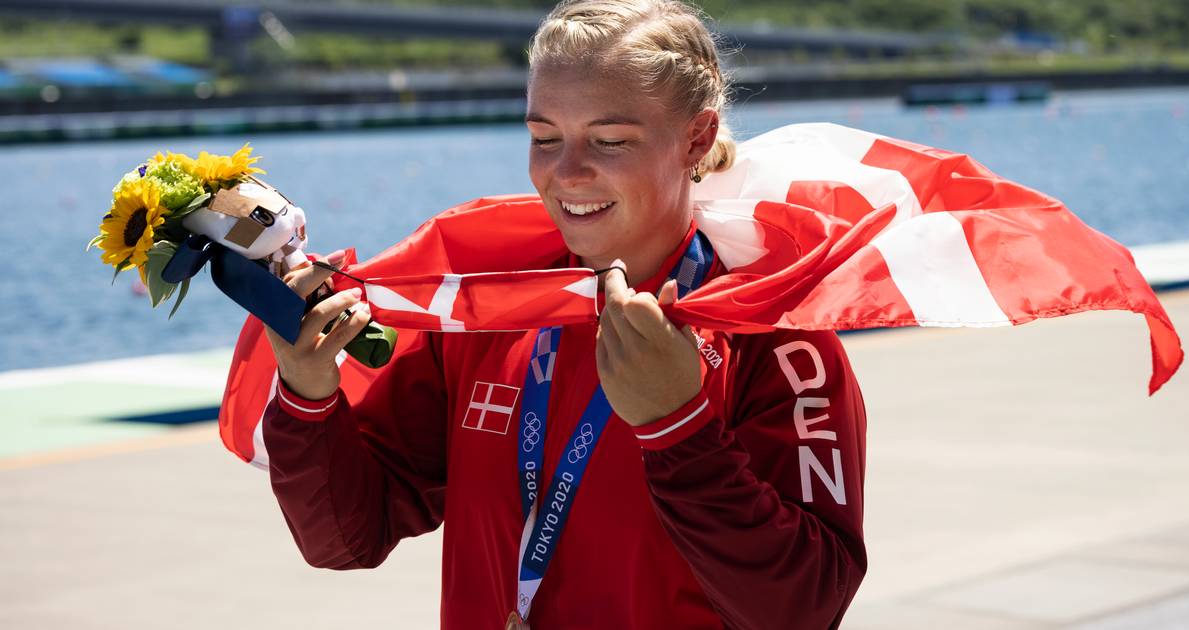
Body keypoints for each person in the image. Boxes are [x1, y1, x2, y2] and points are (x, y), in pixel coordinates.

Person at [261, 1, 867, 628]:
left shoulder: (779, 342)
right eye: (544, 137)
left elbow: (806, 608)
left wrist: (678, 429)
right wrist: (307, 397)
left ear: (697, 137)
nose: (566, 173)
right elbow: (346, 538)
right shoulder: (490, 307)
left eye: (609, 141)